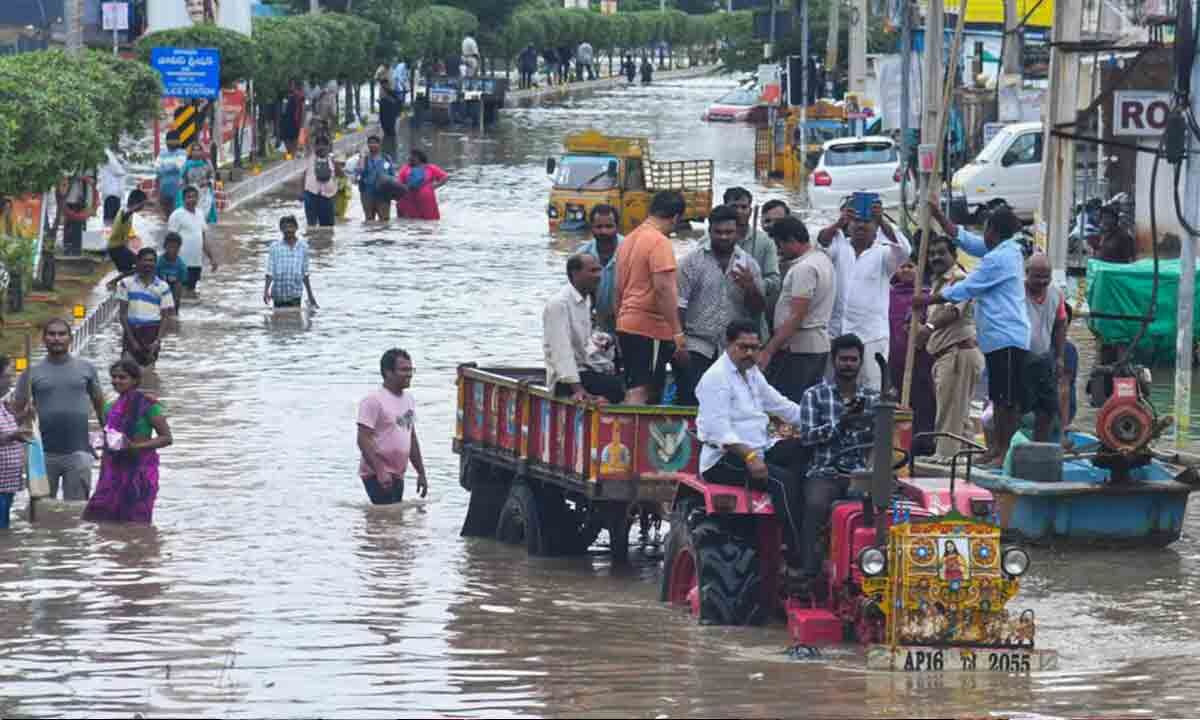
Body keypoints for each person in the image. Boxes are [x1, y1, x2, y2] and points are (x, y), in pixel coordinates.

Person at [695, 320, 810, 588]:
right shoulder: (715, 378)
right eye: (743, 347)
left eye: (755, 348)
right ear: (729, 345)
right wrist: (749, 457)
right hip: (724, 459)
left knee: (808, 455)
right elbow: (718, 429)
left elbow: (779, 404)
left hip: (760, 448)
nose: (750, 353)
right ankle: (796, 559)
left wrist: (817, 419)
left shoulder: (752, 373)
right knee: (783, 482)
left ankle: (813, 535)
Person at [914, 202, 1030, 467]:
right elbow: (969, 243)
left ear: (993, 231)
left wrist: (928, 299)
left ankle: (1002, 453)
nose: (983, 236)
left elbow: (967, 288)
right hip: (996, 340)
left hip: (1007, 336)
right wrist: (942, 219)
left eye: (986, 229)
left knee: (1006, 402)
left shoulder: (1000, 258)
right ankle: (994, 450)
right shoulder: (1000, 250)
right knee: (999, 398)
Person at [795, 334, 880, 590]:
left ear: (860, 362)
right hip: (824, 470)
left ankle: (870, 569)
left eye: (853, 359)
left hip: (860, 472)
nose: (848, 364)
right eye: (843, 359)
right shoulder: (814, 395)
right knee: (816, 505)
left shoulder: (873, 398)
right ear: (834, 361)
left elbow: (878, 441)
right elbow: (807, 438)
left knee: (879, 512)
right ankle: (809, 573)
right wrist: (839, 424)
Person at [675, 205, 765, 406]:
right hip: (697, 345)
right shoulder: (691, 262)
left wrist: (750, 287)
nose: (724, 237)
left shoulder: (749, 264)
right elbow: (678, 306)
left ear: (738, 233)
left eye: (729, 232)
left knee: (732, 404)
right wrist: (679, 345)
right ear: (709, 231)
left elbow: (758, 310)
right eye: (718, 232)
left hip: (733, 349)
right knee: (692, 402)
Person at [819, 200, 912, 391]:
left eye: (868, 221)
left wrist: (882, 219)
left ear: (876, 226)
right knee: (832, 389)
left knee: (872, 391)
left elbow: (905, 249)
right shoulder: (839, 245)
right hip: (835, 333)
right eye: (856, 220)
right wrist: (839, 222)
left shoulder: (884, 254)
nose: (861, 225)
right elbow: (820, 242)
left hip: (871, 336)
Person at [13, 319, 107, 501]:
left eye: (62, 334)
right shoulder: (31, 373)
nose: (57, 338)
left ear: (70, 339)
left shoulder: (86, 369)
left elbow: (99, 403)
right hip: (42, 454)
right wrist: (24, 420)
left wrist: (108, 434)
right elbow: (15, 414)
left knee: (77, 510)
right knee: (41, 510)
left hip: (79, 452)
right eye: (52, 334)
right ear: (44, 339)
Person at [915, 235, 985, 463]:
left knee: (950, 410)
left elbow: (953, 311)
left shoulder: (958, 278)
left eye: (941, 253)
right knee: (958, 412)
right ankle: (968, 458)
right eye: (932, 253)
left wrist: (928, 327)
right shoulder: (936, 283)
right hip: (945, 355)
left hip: (957, 353)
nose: (935, 257)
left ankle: (945, 458)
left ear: (953, 255)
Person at [613, 190, 687, 404]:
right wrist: (677, 333)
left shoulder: (628, 240)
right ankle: (630, 436)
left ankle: (630, 434)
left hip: (627, 323)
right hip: (649, 328)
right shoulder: (659, 242)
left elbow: (618, 289)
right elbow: (664, 290)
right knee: (642, 390)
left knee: (638, 385)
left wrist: (620, 320)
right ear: (675, 217)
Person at [82, 359, 172, 524]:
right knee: (101, 516)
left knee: (137, 519)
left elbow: (166, 438)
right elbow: (110, 435)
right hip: (113, 468)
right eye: (114, 377)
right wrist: (95, 442)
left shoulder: (148, 405)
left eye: (122, 377)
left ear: (135, 380)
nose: (117, 381)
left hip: (141, 468)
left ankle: (140, 547)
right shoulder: (110, 407)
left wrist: (135, 446)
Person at [760, 215, 835, 402]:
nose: (779, 251)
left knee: (790, 406)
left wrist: (769, 350)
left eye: (780, 245)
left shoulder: (805, 268)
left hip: (800, 349)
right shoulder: (822, 259)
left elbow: (796, 316)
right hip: (815, 345)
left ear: (792, 240)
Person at [544, 254, 625, 404]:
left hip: (586, 369)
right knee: (616, 387)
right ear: (575, 274)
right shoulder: (559, 304)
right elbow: (561, 351)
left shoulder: (586, 300)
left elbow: (584, 345)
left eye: (599, 270)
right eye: (592, 271)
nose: (599, 276)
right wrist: (578, 389)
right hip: (566, 380)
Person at [707, 188, 781, 338]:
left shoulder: (764, 242)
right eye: (734, 207)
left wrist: (752, 283)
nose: (739, 211)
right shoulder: (707, 243)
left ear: (750, 210)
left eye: (744, 207)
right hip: (716, 329)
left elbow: (774, 281)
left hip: (751, 324)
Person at [357, 348, 428, 505]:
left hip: (397, 474)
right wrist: (380, 470)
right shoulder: (373, 401)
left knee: (392, 522)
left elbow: (411, 437)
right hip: (376, 473)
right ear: (388, 372)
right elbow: (363, 439)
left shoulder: (408, 400)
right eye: (404, 370)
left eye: (411, 369)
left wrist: (421, 473)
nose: (409, 374)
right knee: (387, 519)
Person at [887, 258, 936, 453]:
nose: (906, 269)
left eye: (911, 266)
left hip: (921, 359)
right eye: (902, 265)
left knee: (924, 401)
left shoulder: (926, 295)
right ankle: (902, 445)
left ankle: (925, 442)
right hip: (896, 356)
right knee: (900, 401)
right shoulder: (888, 294)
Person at [1022, 253, 1067, 442]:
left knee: (1047, 408)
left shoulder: (1056, 293)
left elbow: (1060, 324)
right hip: (1019, 357)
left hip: (1044, 357)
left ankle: (1039, 446)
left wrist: (1059, 357)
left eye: (1046, 277)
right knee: (1015, 407)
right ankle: (1006, 449)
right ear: (1026, 273)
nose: (1042, 281)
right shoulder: (1016, 292)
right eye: (1037, 276)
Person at [117, 248, 176, 368]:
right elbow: (122, 314)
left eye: (152, 261)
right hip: (131, 331)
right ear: (138, 262)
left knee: (148, 373)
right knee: (127, 369)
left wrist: (157, 341)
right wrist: (132, 340)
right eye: (145, 260)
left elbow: (166, 317)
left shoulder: (163, 287)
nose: (148, 263)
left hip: (151, 333)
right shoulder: (125, 284)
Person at [575, 204, 623, 333]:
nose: (604, 231)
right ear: (591, 228)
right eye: (599, 227)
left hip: (626, 321)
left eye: (609, 226)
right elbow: (576, 296)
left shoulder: (630, 250)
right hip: (595, 323)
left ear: (617, 227)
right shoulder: (582, 255)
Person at [167, 186, 218, 294]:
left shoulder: (200, 214)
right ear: (183, 199)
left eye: (194, 197)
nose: (192, 199)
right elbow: (170, 241)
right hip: (181, 262)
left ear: (198, 198)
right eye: (189, 197)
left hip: (196, 262)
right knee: (179, 292)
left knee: (191, 291)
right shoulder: (176, 215)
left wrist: (212, 259)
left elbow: (203, 240)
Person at [263, 215, 318, 309]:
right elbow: (270, 271)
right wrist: (266, 291)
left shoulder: (303, 247)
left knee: (295, 319)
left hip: (295, 293)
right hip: (278, 293)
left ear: (296, 228)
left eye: (291, 227)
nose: (288, 230)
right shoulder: (274, 247)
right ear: (281, 229)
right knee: (277, 319)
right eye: (285, 227)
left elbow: (305, 273)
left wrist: (310, 295)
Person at [0, 355, 29, 530]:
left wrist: (23, 416)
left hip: (7, 482)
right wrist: (14, 436)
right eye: (8, 376)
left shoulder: (4, 404)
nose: (11, 381)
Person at [107, 189, 147, 283]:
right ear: (136, 203)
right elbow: (126, 214)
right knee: (132, 270)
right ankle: (113, 283)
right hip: (115, 248)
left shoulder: (127, 211)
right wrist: (134, 208)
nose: (143, 207)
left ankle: (119, 283)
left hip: (120, 246)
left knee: (139, 264)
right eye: (142, 204)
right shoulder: (125, 212)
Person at [395, 149, 449, 221]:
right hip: (409, 202)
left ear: (419, 157)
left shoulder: (430, 167)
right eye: (410, 156)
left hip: (427, 202)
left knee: (429, 223)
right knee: (411, 223)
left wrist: (434, 186)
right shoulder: (405, 169)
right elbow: (399, 184)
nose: (410, 158)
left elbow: (445, 177)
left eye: (413, 156)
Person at [356, 136, 395, 222]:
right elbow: (359, 173)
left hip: (383, 194)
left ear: (379, 144)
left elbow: (393, 175)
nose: (372, 145)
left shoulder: (386, 158)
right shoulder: (364, 159)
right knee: (369, 220)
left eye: (375, 143)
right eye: (370, 143)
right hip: (367, 193)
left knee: (384, 220)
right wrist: (362, 158)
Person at [177, 144, 217, 225]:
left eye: (198, 150)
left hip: (205, 194)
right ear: (191, 152)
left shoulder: (206, 163)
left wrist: (208, 182)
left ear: (202, 152)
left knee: (204, 216)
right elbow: (181, 178)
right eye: (194, 150)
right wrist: (184, 186)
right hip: (192, 194)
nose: (196, 152)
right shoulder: (186, 164)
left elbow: (212, 176)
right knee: (192, 216)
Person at [303, 137, 337, 227]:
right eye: (318, 144)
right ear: (314, 146)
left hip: (327, 196)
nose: (321, 147)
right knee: (311, 225)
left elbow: (340, 176)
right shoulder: (309, 156)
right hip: (311, 195)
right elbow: (306, 138)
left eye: (324, 144)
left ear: (328, 147)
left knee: (328, 227)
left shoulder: (332, 159)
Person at [61, 174, 97, 257]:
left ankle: (76, 250)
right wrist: (80, 177)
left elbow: (93, 182)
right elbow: (66, 175)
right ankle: (67, 249)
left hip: (81, 200)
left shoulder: (87, 168)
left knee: (78, 228)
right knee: (69, 226)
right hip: (70, 199)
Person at [156, 232, 189, 312]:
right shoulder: (158, 262)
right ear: (164, 246)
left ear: (179, 248)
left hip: (174, 289)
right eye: (170, 247)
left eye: (175, 248)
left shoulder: (181, 266)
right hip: (159, 288)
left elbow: (181, 286)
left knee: (176, 296)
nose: (172, 250)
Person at [155, 137, 188, 217]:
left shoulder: (182, 152)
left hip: (177, 187)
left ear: (178, 142)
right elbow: (157, 167)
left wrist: (164, 168)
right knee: (166, 212)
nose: (171, 142)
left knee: (177, 211)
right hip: (164, 187)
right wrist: (169, 168)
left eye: (173, 140)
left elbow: (178, 166)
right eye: (169, 140)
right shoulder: (162, 153)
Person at [99, 146, 127, 226]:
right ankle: (109, 233)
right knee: (110, 219)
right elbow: (119, 170)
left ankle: (111, 233)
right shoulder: (110, 162)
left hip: (115, 194)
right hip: (111, 194)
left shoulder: (114, 163)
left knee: (114, 219)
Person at [378, 79, 403, 161]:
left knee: (391, 132)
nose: (384, 86)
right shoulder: (384, 91)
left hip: (390, 114)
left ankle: (391, 151)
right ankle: (387, 149)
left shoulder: (390, 91)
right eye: (383, 85)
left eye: (385, 84)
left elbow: (398, 101)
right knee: (386, 131)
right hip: (385, 114)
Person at [280, 79, 305, 157]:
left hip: (295, 120)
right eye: (289, 85)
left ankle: (293, 153)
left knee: (294, 139)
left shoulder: (298, 95)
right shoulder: (285, 96)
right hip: (285, 120)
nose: (290, 87)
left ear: (294, 86)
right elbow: (282, 109)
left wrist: (301, 120)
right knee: (286, 139)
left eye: (291, 85)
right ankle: (290, 153)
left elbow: (302, 106)